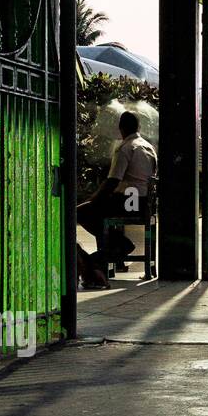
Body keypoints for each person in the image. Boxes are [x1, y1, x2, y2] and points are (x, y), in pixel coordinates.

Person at [77, 110, 157, 288]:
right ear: (138, 127)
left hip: (127, 201)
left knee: (80, 212)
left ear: (121, 129)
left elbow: (113, 180)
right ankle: (110, 249)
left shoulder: (125, 148)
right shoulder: (148, 147)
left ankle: (117, 245)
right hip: (143, 204)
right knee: (96, 211)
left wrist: (95, 199)